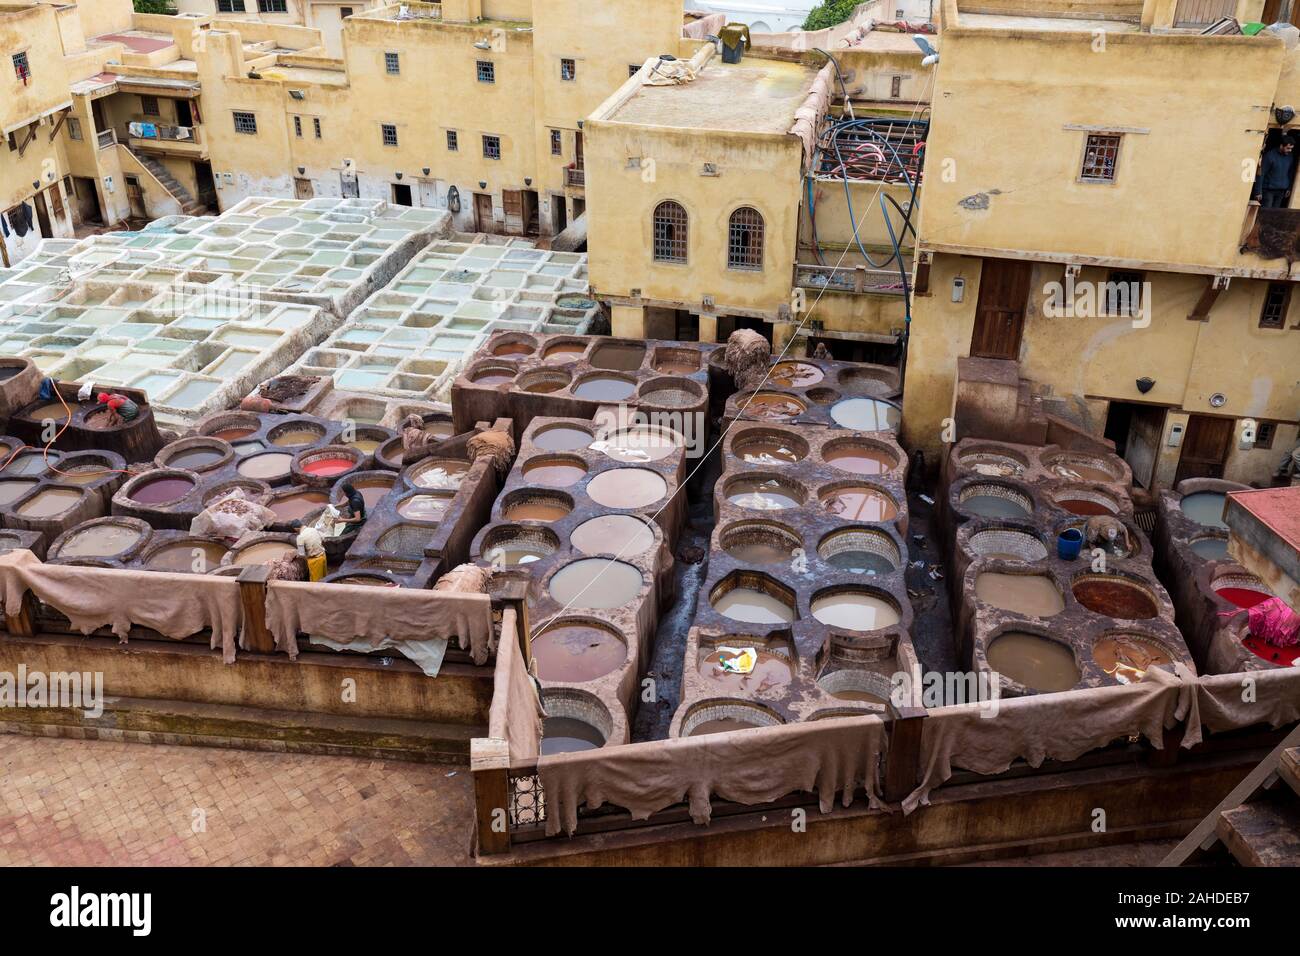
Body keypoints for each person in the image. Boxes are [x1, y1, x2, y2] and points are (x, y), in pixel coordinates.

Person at [1255, 138, 1295, 208]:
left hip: (1281, 191)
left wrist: (1289, 187)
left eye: (1291, 148)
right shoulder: (1269, 156)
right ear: (1281, 146)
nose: (1290, 150)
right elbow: (1261, 173)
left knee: (1276, 214)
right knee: (1267, 213)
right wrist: (1258, 191)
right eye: (1288, 148)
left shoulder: (1290, 157)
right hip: (1268, 190)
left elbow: (1290, 173)